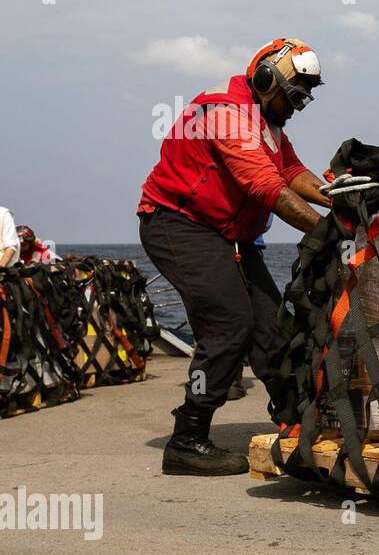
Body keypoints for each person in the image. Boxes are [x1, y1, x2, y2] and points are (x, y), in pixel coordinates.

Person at [138, 38, 331, 476]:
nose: (298, 106)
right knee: (229, 325)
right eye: (295, 95)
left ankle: (298, 424)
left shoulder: (268, 123)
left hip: (228, 236)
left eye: (305, 98)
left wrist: (339, 206)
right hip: (179, 226)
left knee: (272, 330)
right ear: (266, 81)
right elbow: (266, 187)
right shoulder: (228, 116)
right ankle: (186, 440)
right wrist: (328, 234)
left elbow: (291, 173)